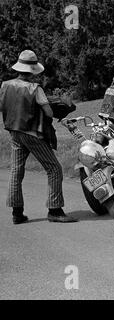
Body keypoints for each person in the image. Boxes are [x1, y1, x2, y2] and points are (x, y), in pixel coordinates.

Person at [0, 50, 78, 224]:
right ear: (33, 70)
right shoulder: (35, 89)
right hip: (32, 133)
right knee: (54, 169)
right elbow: (49, 113)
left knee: (16, 171)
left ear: (19, 68)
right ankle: (55, 210)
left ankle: (17, 213)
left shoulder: (5, 85)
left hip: (14, 132)